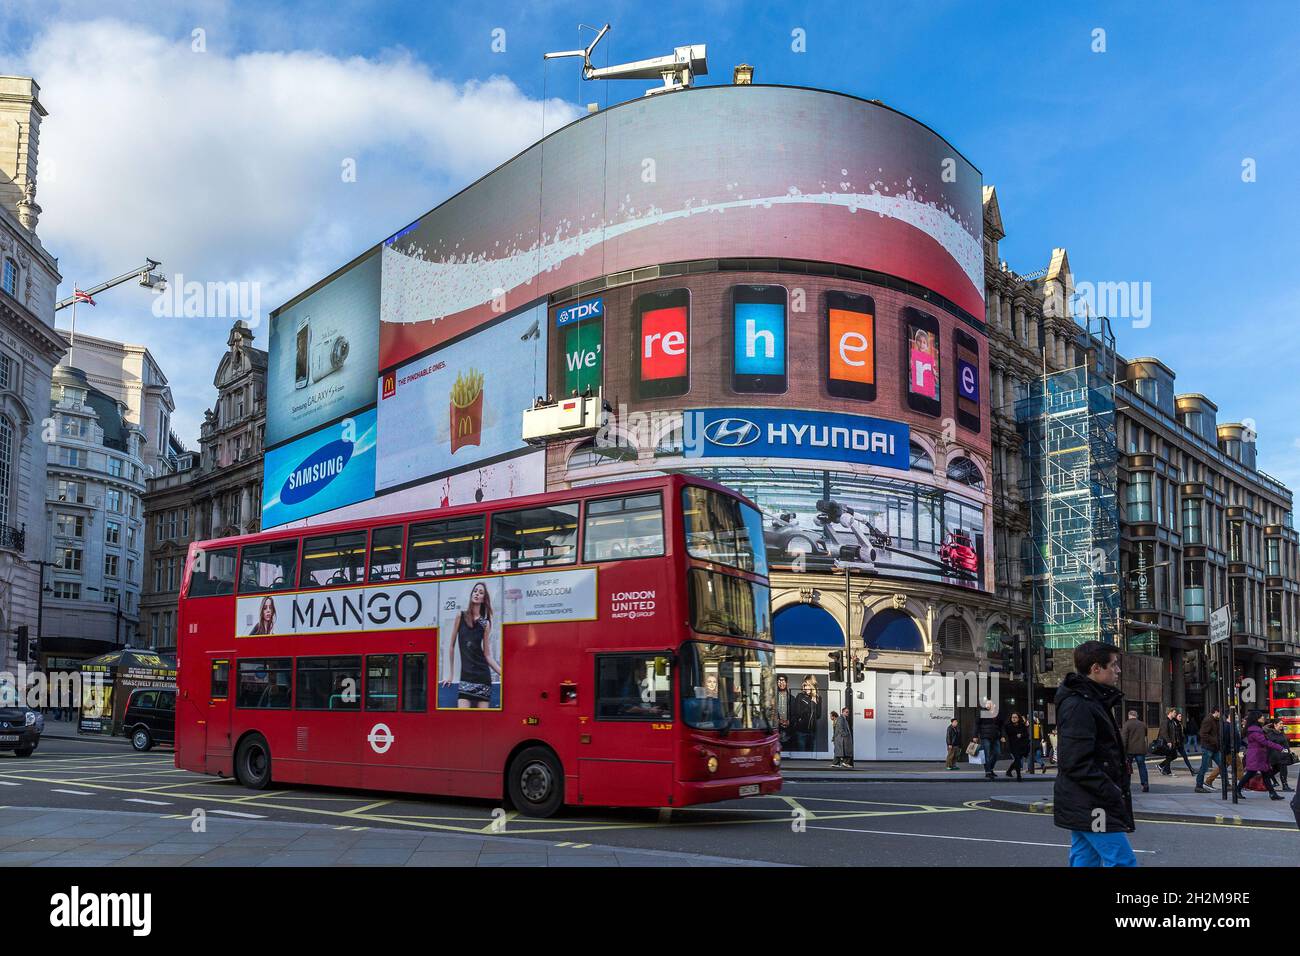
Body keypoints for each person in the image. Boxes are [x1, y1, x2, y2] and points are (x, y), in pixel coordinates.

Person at [1053, 640, 1136, 867]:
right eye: (1113, 665)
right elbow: (1075, 762)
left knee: (1085, 859)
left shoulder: (1091, 699)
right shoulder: (1079, 704)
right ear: (1095, 669)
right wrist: (1111, 791)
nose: (1118, 670)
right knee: (1122, 862)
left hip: (1085, 799)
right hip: (1092, 801)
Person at [440, 582, 500, 709]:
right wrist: (450, 675)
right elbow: (451, 646)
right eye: (475, 591)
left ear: (484, 599)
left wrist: (503, 673)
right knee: (463, 720)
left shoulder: (485, 624)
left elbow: (487, 655)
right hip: (465, 678)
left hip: (483, 677)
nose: (477, 594)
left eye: (481, 592)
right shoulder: (460, 616)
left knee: (483, 723)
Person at [1236, 712, 1286, 800]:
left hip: (1259, 755)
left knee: (1266, 775)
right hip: (1256, 756)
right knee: (1250, 774)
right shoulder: (1254, 731)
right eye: (1261, 717)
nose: (1263, 717)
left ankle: (1272, 793)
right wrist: (1280, 748)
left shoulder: (1257, 729)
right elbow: (1264, 742)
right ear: (1256, 719)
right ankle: (1237, 790)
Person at [1195, 706, 1224, 793]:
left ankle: (1226, 784)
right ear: (1216, 712)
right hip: (1208, 748)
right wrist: (1214, 740)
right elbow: (1202, 733)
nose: (1220, 715)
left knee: (1223, 765)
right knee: (1204, 768)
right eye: (1220, 713)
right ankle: (1198, 786)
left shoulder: (1216, 720)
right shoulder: (1208, 720)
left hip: (1214, 748)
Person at [1122, 708, 1150, 793]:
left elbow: (1124, 739)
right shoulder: (1143, 724)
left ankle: (1126, 785)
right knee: (1142, 767)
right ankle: (1145, 783)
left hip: (1129, 750)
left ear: (1129, 716)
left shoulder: (1126, 724)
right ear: (1136, 716)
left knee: (1127, 768)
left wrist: (1123, 750)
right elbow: (1145, 735)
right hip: (1140, 749)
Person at [790, 676, 821, 752]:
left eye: (807, 685)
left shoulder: (818, 698)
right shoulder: (800, 696)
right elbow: (797, 713)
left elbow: (818, 715)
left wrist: (813, 702)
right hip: (801, 731)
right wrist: (809, 704)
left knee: (812, 755)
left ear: (811, 685)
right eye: (804, 685)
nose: (805, 687)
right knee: (802, 755)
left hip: (812, 731)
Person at [1263, 717, 1293, 793]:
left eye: (1282, 724)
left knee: (1275, 770)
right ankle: (1285, 785)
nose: (1282, 725)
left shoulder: (1281, 732)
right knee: (1283, 769)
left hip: (1282, 755)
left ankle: (1264, 779)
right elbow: (1271, 744)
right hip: (1276, 756)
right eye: (1280, 724)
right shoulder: (1271, 734)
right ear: (1275, 725)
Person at [976, 698, 1003, 781]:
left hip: (995, 737)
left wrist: (1002, 735)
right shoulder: (982, 713)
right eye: (987, 703)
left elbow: (1001, 726)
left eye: (990, 703)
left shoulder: (997, 714)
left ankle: (990, 768)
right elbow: (977, 724)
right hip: (985, 737)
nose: (988, 705)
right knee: (986, 755)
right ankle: (988, 772)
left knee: (997, 753)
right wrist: (975, 735)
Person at [1004, 712, 1029, 781]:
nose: (1014, 719)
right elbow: (1007, 734)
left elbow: (1026, 734)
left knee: (1017, 760)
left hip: (1022, 746)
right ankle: (1019, 776)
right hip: (1013, 745)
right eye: (1013, 717)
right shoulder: (1008, 726)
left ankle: (1009, 771)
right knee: (1017, 760)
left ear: (1018, 718)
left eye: (1015, 717)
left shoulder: (1022, 725)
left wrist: (1021, 735)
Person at [775, 675, 794, 750]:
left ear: (786, 683)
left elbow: (795, 714)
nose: (781, 682)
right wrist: (777, 720)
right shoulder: (773, 698)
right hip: (776, 730)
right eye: (779, 680)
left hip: (789, 730)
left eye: (783, 680)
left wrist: (789, 721)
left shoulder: (792, 698)